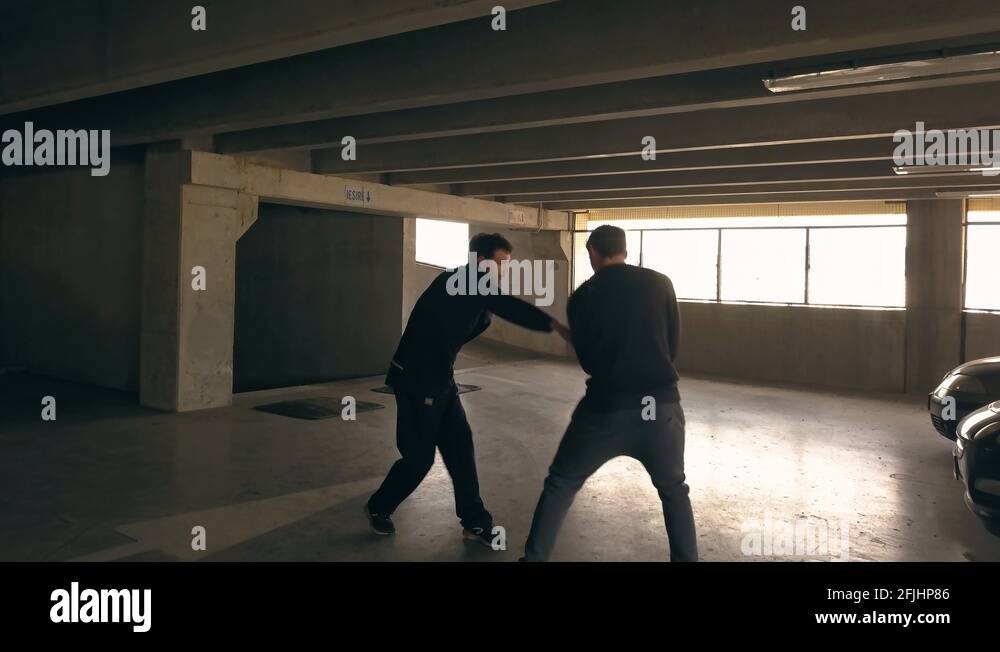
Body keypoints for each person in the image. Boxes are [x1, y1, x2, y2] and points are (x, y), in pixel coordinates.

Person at [366, 232, 571, 548]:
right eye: (500, 263)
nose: (504, 270)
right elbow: (509, 308)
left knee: (461, 449)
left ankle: (475, 522)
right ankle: (379, 506)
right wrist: (556, 327)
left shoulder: (473, 285)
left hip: (441, 380)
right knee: (419, 460)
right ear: (480, 260)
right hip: (418, 380)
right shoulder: (460, 282)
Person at [521, 224, 697, 561]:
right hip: (660, 407)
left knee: (560, 484)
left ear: (593, 253)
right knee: (674, 489)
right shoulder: (660, 283)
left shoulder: (583, 296)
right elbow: (671, 346)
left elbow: (589, 362)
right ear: (624, 249)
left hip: (605, 409)